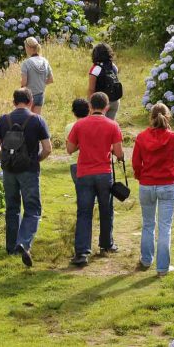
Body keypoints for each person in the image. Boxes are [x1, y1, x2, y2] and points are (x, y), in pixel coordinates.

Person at [0, 88, 52, 267]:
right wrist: (36, 160)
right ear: (31, 101)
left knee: (12, 207)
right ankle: (23, 243)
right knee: (32, 209)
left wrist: (3, 160)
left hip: (9, 171)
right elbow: (48, 148)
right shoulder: (36, 119)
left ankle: (11, 247)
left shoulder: (4, 119)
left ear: (13, 102)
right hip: (29, 170)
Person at [66, 92, 124, 267]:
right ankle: (106, 244)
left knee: (84, 212)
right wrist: (113, 152)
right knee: (106, 210)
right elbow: (119, 152)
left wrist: (81, 144)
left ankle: (82, 252)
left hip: (84, 172)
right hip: (104, 172)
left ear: (90, 106)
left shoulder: (80, 124)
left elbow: (69, 149)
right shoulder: (113, 125)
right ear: (107, 107)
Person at [132, 103, 174, 277]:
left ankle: (146, 260)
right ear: (168, 116)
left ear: (151, 117)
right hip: (168, 185)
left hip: (147, 185)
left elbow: (135, 163)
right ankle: (162, 268)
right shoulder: (173, 137)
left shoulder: (141, 137)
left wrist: (142, 177)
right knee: (165, 227)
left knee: (148, 224)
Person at [86, 43, 123, 120]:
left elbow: (91, 89)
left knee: (98, 127)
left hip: (100, 104)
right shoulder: (113, 66)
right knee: (109, 125)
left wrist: (89, 104)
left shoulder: (96, 68)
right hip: (115, 100)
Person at [20, 37, 54, 115]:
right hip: (40, 94)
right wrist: (41, 83)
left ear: (29, 48)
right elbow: (51, 79)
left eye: (25, 47)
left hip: (28, 95)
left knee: (27, 119)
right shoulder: (45, 61)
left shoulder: (26, 63)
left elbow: (24, 82)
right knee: (36, 119)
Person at [67, 98, 89, 180]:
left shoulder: (69, 127)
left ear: (73, 112)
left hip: (75, 163)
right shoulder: (93, 124)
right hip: (91, 162)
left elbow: (69, 150)